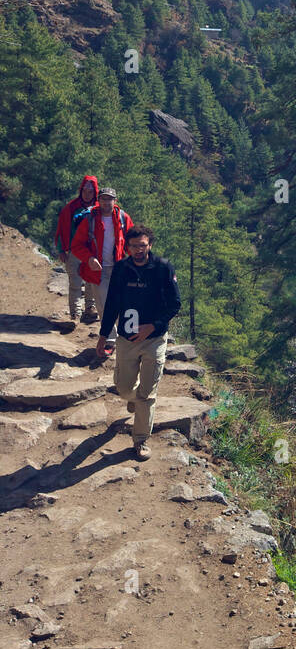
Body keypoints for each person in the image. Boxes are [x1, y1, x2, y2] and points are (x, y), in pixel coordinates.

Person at [97, 224, 181, 460]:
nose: (138, 250)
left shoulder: (163, 268)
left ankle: (141, 440)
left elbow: (175, 303)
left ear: (149, 245)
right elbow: (112, 303)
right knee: (124, 389)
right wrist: (103, 336)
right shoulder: (122, 268)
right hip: (126, 337)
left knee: (147, 394)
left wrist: (153, 326)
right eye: (133, 246)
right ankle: (133, 400)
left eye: (142, 245)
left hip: (154, 338)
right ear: (127, 246)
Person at [70, 186, 133, 355]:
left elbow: (132, 242)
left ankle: (126, 337)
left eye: (109, 198)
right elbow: (76, 245)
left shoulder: (123, 218)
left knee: (123, 303)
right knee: (104, 305)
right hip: (98, 271)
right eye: (103, 198)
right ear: (99, 200)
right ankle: (110, 340)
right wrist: (89, 258)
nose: (106, 202)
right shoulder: (90, 219)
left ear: (115, 200)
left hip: (119, 269)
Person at [53, 175, 100, 324]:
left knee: (92, 281)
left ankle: (90, 309)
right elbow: (62, 229)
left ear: (95, 192)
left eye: (91, 191)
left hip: (93, 251)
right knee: (75, 282)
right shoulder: (71, 208)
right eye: (85, 190)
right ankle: (75, 314)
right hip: (74, 251)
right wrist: (62, 250)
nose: (87, 194)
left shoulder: (100, 209)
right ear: (81, 190)